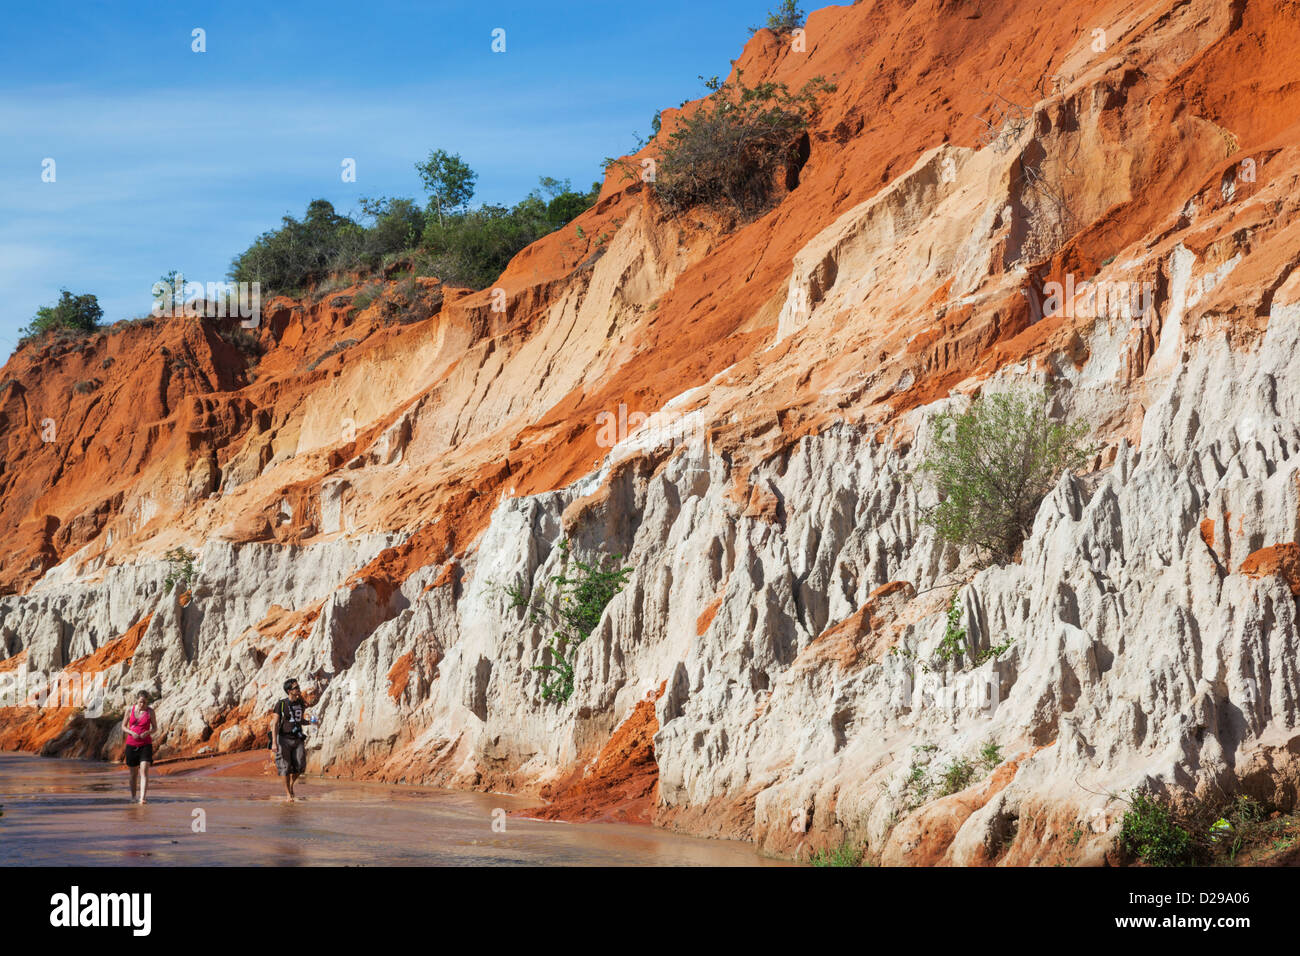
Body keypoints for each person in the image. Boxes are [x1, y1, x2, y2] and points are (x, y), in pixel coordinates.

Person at [270, 678, 313, 802]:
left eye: (298, 686)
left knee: (300, 766)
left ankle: (291, 785)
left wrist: (310, 722)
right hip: (283, 739)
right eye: (296, 687)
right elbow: (275, 723)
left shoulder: (300, 703)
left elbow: (300, 720)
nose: (299, 689)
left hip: (298, 738)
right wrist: (274, 742)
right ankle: (288, 794)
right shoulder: (281, 704)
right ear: (289, 691)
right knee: (285, 767)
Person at [122, 691, 158, 804]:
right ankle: (133, 797)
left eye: (144, 702)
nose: (142, 704)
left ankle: (142, 798)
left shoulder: (150, 712)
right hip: (131, 744)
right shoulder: (130, 710)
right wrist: (131, 732)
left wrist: (147, 732)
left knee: (144, 770)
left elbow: (155, 728)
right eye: (140, 702)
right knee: (133, 774)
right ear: (137, 700)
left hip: (145, 745)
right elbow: (123, 726)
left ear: (147, 701)